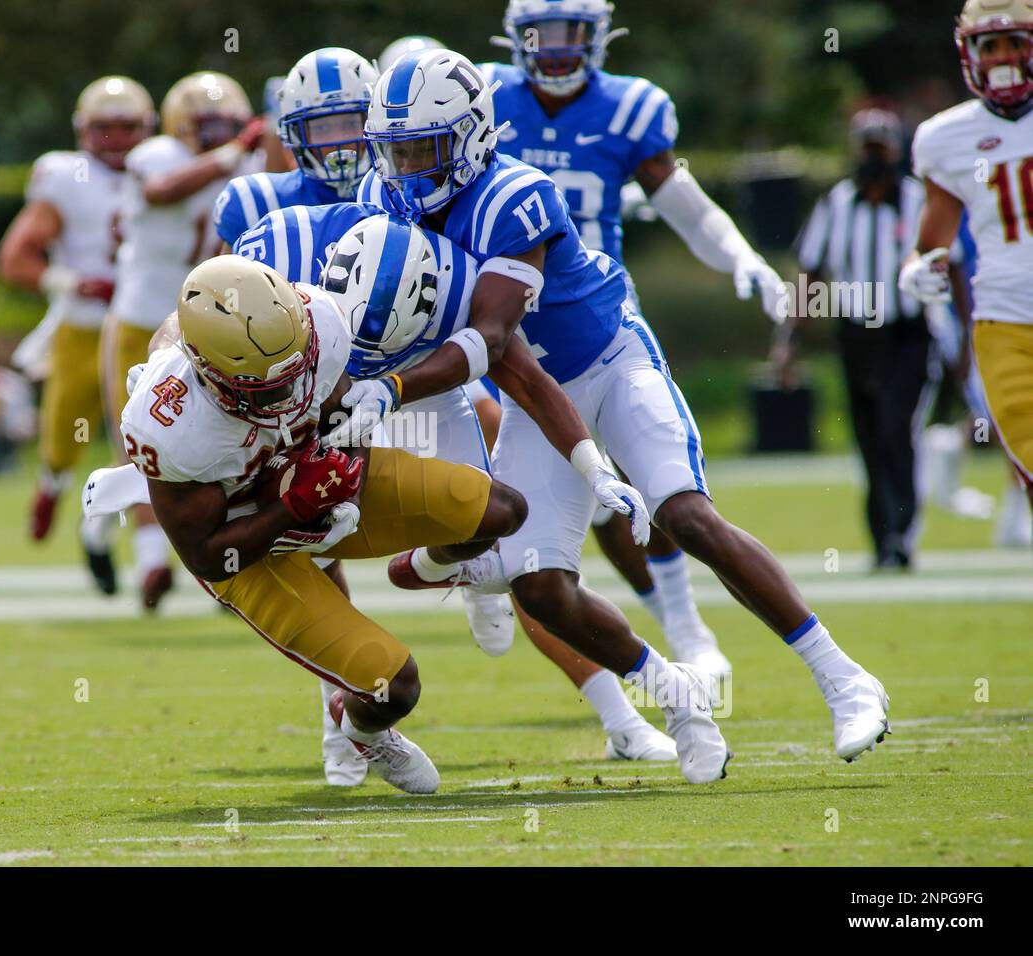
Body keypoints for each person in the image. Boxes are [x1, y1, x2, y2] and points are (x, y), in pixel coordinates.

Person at [345, 47, 889, 764]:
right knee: (539, 587)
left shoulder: (518, 194)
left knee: (684, 514)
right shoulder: (380, 201)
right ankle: (674, 696)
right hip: (535, 394)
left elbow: (493, 335)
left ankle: (843, 678)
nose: (408, 169)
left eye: (424, 150)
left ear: (474, 135)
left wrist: (386, 390)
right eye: (396, 151)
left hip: (610, 360)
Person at [237, 207, 685, 779]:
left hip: (422, 385)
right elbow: (197, 323)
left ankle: (447, 571)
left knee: (496, 525)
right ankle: (344, 731)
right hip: (310, 396)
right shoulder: (279, 244)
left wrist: (593, 468)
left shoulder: (457, 281)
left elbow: (525, 377)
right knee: (314, 535)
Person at [114, 255, 533, 793]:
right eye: (270, 390)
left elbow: (342, 412)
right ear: (210, 374)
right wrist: (294, 505)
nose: (290, 395)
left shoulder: (318, 322)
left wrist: (344, 468)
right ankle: (363, 731)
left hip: (316, 484)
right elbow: (210, 557)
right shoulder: (170, 427)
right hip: (250, 544)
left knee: (500, 511)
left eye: (299, 369)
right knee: (394, 686)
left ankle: (428, 568)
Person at [479, 0, 795, 686]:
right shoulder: (486, 98)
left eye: (573, 36)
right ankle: (479, 573)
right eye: (544, 35)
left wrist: (742, 257)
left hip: (596, 320)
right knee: (508, 476)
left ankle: (683, 624)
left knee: (629, 486)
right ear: (515, 40)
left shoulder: (629, 110)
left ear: (599, 39)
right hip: (501, 321)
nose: (558, 51)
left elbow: (683, 202)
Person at [102, 71, 264, 608]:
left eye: (229, 127)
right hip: (147, 319)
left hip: (210, 328)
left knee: (227, 442)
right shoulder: (160, 155)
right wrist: (235, 152)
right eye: (208, 126)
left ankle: (226, 561)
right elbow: (161, 189)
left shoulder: (249, 164)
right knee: (143, 442)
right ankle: (153, 563)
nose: (219, 135)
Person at [0, 75, 153, 593]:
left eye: (126, 128)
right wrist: (71, 281)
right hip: (82, 328)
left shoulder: (167, 168)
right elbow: (15, 258)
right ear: (84, 131)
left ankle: (100, 534)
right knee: (63, 441)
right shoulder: (67, 176)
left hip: (150, 329)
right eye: (103, 129)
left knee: (140, 447)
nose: (115, 140)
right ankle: (52, 486)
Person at [776, 108, 945, 570]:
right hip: (857, 335)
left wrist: (965, 338)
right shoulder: (836, 203)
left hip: (908, 332)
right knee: (869, 438)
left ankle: (902, 533)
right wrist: (790, 338)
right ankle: (883, 537)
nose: (873, 158)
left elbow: (951, 267)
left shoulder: (918, 201)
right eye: (866, 149)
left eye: (881, 149)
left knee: (895, 427)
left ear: (895, 152)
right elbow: (812, 273)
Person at [900, 0, 1033, 555]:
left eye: (1014, 43)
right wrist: (916, 272)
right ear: (970, 55)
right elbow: (932, 242)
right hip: (1007, 323)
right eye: (990, 46)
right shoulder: (944, 138)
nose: (1003, 57)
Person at [213, 48, 378, 254]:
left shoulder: (400, 195)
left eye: (349, 123)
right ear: (295, 134)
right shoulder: (260, 202)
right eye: (322, 128)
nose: (338, 139)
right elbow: (222, 284)